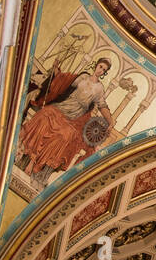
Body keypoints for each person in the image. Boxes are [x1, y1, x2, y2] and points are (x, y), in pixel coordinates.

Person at [18, 58, 113, 187]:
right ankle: (28, 161)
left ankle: (39, 171)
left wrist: (110, 121)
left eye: (104, 70)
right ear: (96, 65)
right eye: (100, 66)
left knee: (64, 136)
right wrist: (57, 71)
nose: (100, 70)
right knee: (44, 116)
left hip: (75, 119)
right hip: (62, 107)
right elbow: (64, 82)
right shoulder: (83, 77)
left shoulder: (99, 89)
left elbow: (103, 106)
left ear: (105, 73)